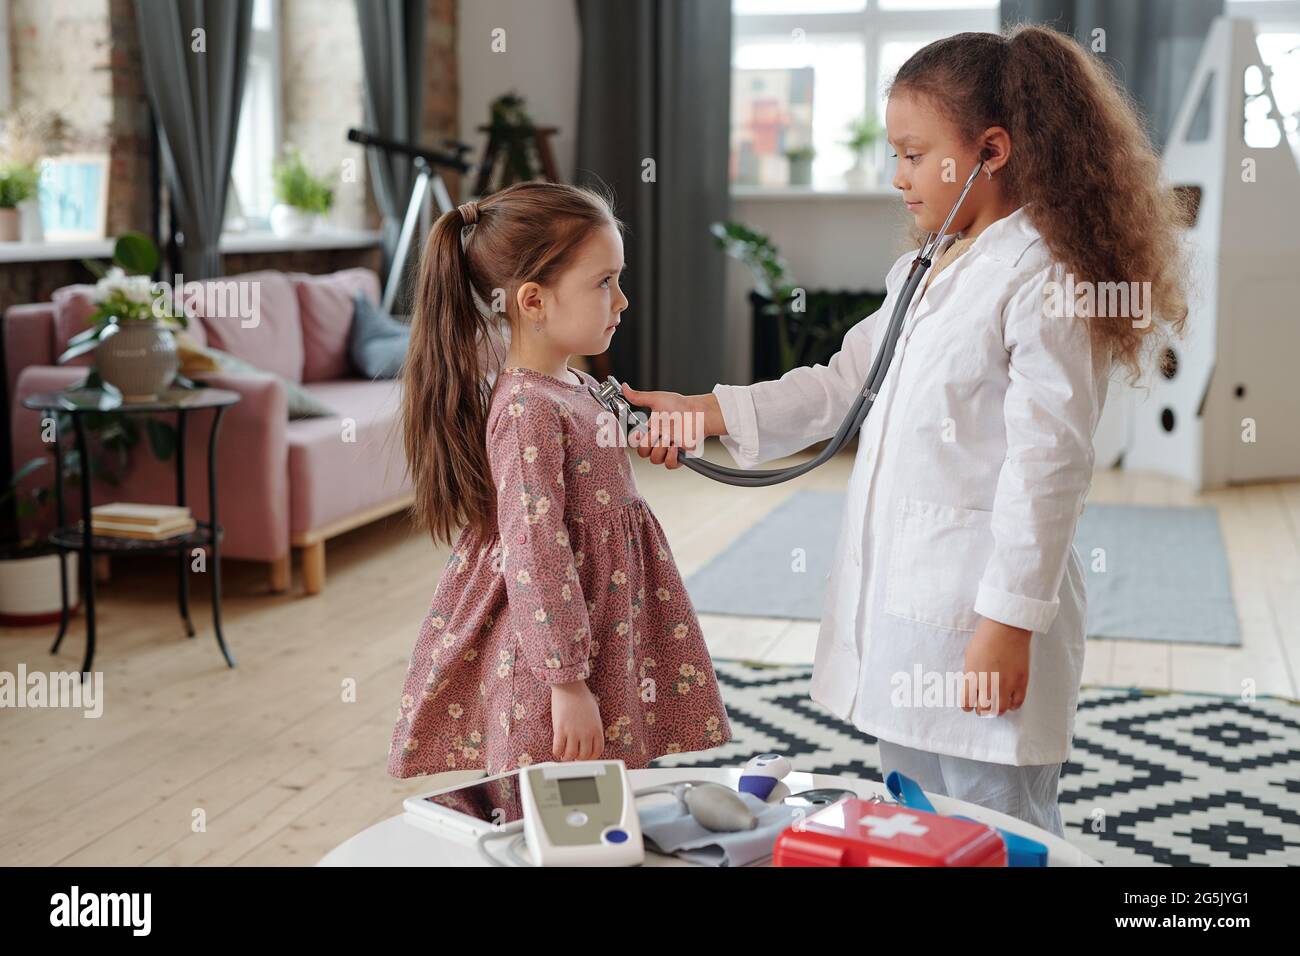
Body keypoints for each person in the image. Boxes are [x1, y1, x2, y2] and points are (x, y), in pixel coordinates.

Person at [623, 25, 1189, 836]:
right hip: (911, 620)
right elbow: (843, 384)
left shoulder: (1046, 276)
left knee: (1000, 831)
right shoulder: (927, 268)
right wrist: (702, 411)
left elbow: (1050, 466)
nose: (897, 178)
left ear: (990, 151)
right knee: (914, 822)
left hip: (983, 619)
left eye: (915, 154)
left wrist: (1007, 625)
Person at [387, 181, 732, 779]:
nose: (623, 301)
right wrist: (568, 683)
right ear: (533, 301)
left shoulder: (571, 387)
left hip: (602, 627)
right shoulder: (525, 410)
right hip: (556, 658)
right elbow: (535, 552)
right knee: (554, 796)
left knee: (607, 783)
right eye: (604, 283)